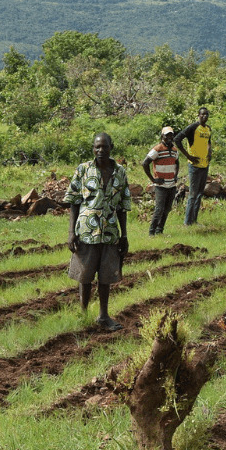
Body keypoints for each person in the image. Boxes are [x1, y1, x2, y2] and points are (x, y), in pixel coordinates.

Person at [65, 132, 131, 331]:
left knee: (105, 277)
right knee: (84, 276)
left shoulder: (120, 173)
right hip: (86, 232)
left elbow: (123, 207)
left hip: (110, 232)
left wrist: (124, 236)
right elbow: (74, 203)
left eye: (104, 147)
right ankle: (83, 315)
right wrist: (71, 233)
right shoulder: (83, 170)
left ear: (112, 147)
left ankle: (103, 316)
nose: (100, 150)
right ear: (93, 148)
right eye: (97, 147)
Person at [173, 107, 213, 225]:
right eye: (202, 114)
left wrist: (209, 152)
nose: (204, 116)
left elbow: (208, 142)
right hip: (194, 166)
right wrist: (188, 156)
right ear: (198, 115)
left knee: (200, 194)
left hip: (204, 165)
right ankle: (187, 222)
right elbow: (177, 139)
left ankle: (194, 221)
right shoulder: (193, 127)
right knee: (193, 194)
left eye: (206, 115)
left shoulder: (208, 129)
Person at [141, 126, 180, 236]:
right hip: (161, 185)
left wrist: (175, 175)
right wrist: (153, 179)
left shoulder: (174, 150)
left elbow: (177, 162)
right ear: (162, 136)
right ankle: (151, 232)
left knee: (167, 209)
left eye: (171, 135)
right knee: (159, 209)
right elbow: (145, 163)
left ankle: (160, 230)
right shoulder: (157, 149)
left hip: (171, 184)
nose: (169, 137)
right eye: (167, 135)